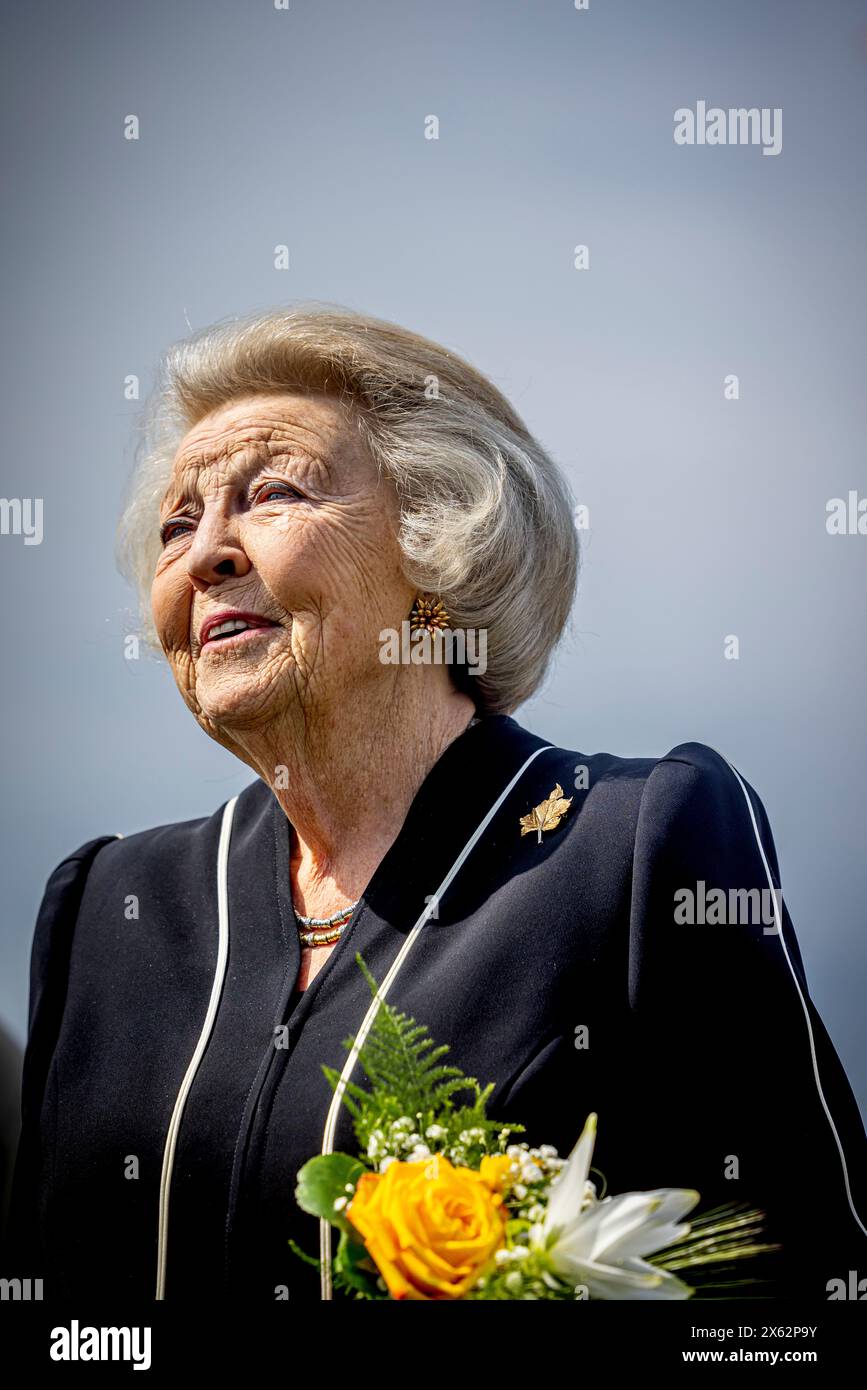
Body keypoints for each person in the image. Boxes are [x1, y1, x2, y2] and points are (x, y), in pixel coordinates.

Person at [3, 305, 866, 1302]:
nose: (207, 554)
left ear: (442, 549)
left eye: (272, 493)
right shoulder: (108, 907)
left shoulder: (635, 845)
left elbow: (798, 1299)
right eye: (178, 523)